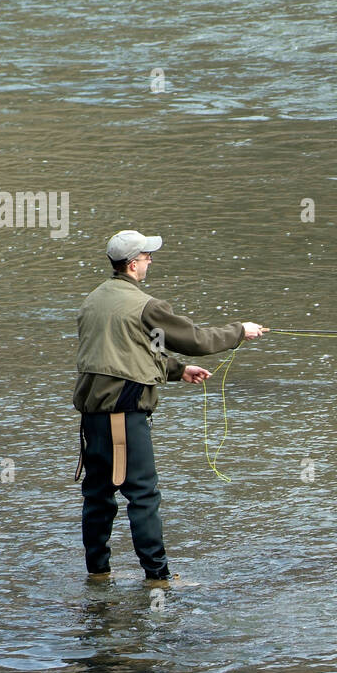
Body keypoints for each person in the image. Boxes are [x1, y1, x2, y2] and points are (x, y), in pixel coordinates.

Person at [73, 230, 265, 585]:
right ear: (132, 265)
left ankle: (98, 574)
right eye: (146, 257)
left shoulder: (93, 300)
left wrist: (177, 371)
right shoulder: (147, 306)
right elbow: (195, 339)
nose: (150, 261)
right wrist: (240, 330)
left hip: (92, 415)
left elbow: (123, 351)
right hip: (125, 414)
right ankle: (158, 578)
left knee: (98, 497)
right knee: (143, 495)